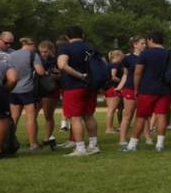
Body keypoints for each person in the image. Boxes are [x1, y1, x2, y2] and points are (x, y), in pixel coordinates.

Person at [56, 26, 101, 157]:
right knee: (89, 115)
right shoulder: (91, 47)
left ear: (67, 36)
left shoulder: (65, 48)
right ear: (83, 35)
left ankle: (80, 148)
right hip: (91, 86)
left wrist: (80, 75)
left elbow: (62, 65)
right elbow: (101, 64)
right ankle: (93, 145)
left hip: (73, 86)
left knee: (75, 118)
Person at [129, 30, 171, 152]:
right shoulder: (169, 53)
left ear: (151, 40)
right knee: (161, 116)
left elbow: (138, 73)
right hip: (165, 89)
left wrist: (136, 88)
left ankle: (132, 144)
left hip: (147, 89)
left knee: (141, 117)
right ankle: (160, 144)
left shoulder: (145, 54)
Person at [7, 37, 48, 150]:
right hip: (27, 89)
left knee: (14, 118)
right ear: (31, 45)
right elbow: (40, 72)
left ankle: (8, 141)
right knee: (30, 117)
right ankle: (33, 144)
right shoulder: (32, 55)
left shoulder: (11, 55)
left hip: (13, 89)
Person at [117, 36, 145, 149]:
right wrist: (119, 87)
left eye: (144, 43)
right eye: (142, 43)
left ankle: (147, 138)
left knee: (144, 115)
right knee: (128, 115)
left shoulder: (146, 57)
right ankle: (122, 139)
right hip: (130, 88)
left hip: (143, 89)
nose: (144, 45)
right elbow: (125, 74)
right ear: (135, 45)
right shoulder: (127, 59)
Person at [35, 41, 61, 152]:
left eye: (45, 51)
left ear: (51, 50)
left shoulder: (57, 60)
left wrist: (49, 73)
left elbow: (60, 75)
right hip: (37, 90)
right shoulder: (38, 60)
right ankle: (34, 141)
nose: (43, 54)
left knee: (48, 115)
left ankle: (47, 138)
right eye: (41, 52)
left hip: (51, 91)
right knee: (32, 115)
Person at [104, 49, 125, 134]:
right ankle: (109, 129)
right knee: (111, 110)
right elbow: (113, 76)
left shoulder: (108, 64)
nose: (122, 58)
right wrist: (122, 81)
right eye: (121, 56)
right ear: (117, 56)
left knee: (110, 110)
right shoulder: (115, 64)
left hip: (108, 88)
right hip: (114, 89)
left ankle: (110, 127)